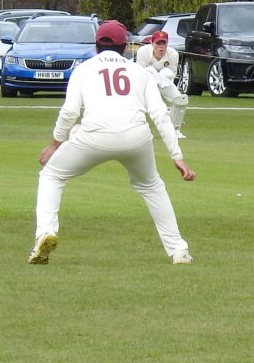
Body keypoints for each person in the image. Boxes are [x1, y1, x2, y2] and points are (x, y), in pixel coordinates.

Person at [30, 19, 195, 265]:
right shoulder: (140, 72)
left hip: (95, 136)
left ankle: (46, 233)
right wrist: (176, 155)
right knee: (151, 186)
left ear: (96, 46)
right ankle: (178, 250)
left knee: (51, 176)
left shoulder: (83, 70)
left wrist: (54, 145)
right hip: (136, 137)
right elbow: (160, 115)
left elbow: (69, 113)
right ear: (126, 48)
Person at [135, 29, 188, 138]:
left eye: (163, 43)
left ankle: (174, 130)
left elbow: (172, 73)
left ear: (167, 43)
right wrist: (153, 76)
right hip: (145, 82)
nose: (161, 46)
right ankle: (137, 130)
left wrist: (161, 77)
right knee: (137, 102)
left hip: (164, 81)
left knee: (180, 100)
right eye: (158, 43)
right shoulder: (142, 52)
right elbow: (140, 73)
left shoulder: (173, 54)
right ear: (152, 43)